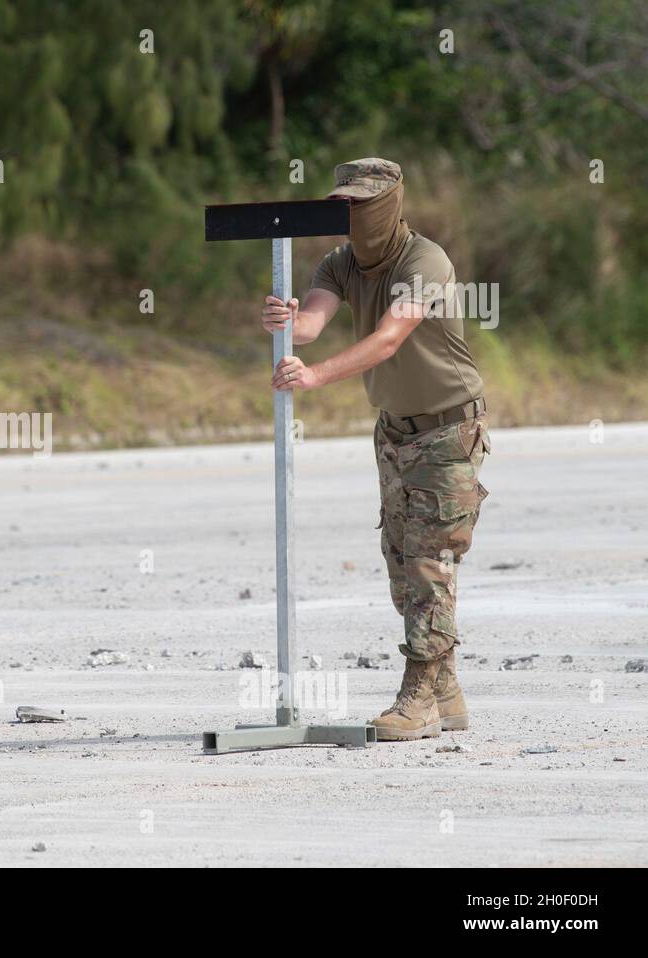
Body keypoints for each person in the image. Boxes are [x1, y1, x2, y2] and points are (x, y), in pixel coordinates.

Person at [262, 157, 489, 741]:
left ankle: (418, 698)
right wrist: (284, 320)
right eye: (345, 203)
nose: (354, 214)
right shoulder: (339, 263)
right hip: (394, 433)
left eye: (364, 202)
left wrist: (313, 377)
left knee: (429, 566)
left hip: (448, 431)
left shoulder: (425, 260)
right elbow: (311, 325)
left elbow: (389, 338)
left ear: (390, 202)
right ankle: (447, 691)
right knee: (400, 571)